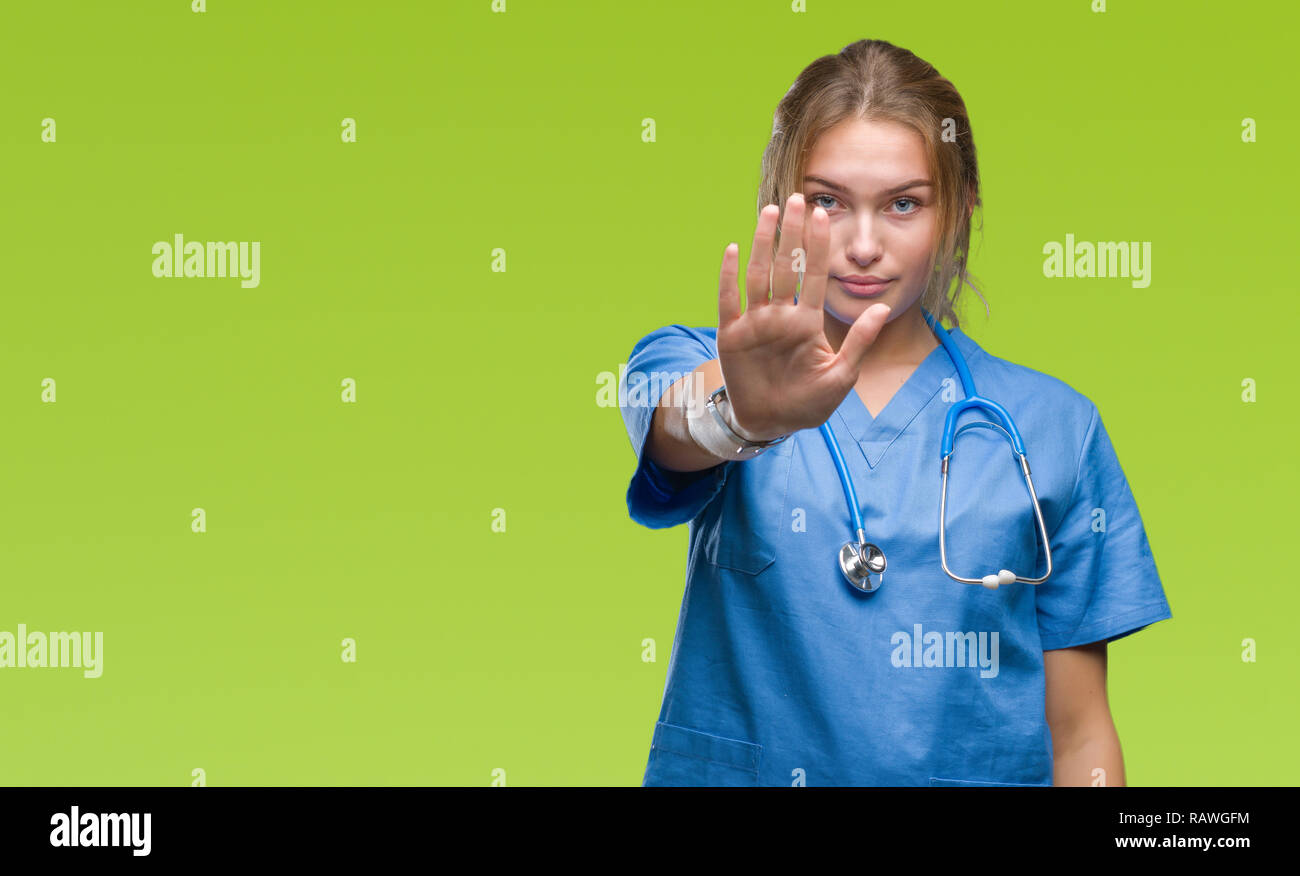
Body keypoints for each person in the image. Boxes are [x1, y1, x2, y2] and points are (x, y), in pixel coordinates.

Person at [617, 39, 1172, 787]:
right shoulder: (693, 363)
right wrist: (740, 413)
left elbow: (1078, 735)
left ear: (959, 208)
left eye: (904, 204)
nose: (864, 245)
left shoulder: (1054, 427)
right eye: (827, 201)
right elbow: (673, 433)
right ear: (779, 199)